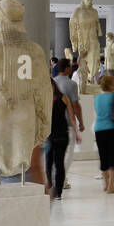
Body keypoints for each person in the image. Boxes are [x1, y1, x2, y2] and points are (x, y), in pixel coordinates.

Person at [45, 78, 79, 200]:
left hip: (60, 134)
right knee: (48, 163)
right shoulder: (45, 99)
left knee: (58, 163)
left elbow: (71, 116)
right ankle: (51, 187)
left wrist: (77, 132)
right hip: (49, 135)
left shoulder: (63, 98)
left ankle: (58, 191)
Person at [52, 58, 83, 191]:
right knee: (67, 154)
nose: (72, 68)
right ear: (66, 69)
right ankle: (61, 179)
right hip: (66, 124)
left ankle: (57, 178)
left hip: (51, 123)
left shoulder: (51, 82)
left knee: (53, 154)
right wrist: (80, 122)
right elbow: (75, 106)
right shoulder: (71, 84)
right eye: (70, 66)